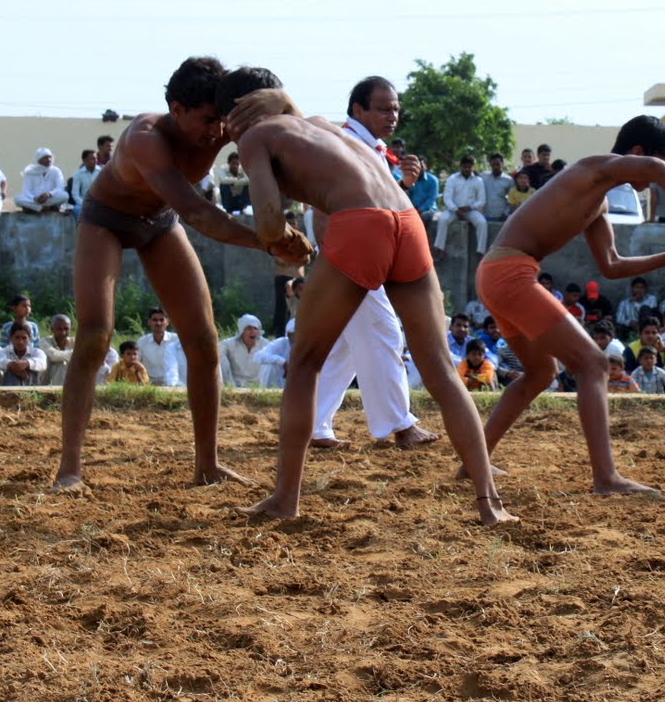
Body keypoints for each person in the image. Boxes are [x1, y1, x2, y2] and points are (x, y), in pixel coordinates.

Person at [217, 67, 512, 525]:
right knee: (438, 367)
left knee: (305, 364)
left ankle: (285, 500)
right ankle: (490, 504)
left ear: (238, 113)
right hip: (407, 220)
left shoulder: (255, 139)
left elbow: (270, 221)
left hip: (360, 224)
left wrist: (284, 240)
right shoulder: (318, 123)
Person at [52, 57, 292, 492]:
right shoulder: (147, 138)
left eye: (221, 120)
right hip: (106, 219)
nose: (216, 132)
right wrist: (267, 241)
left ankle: (207, 464)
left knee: (202, 340)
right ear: (176, 109)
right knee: (93, 335)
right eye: (205, 121)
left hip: (159, 222)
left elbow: (294, 132)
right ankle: (69, 467)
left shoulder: (219, 128)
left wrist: (285, 100)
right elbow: (200, 212)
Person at [461, 115, 665, 495]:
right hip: (509, 273)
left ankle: (472, 461)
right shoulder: (594, 168)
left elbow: (612, 265)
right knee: (594, 363)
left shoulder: (600, 201)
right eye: (663, 164)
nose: (662, 176)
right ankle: (606, 478)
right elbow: (655, 169)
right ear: (639, 153)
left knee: (540, 373)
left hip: (500, 273)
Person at [307, 76, 440, 452]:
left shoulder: (371, 147)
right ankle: (399, 425)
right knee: (383, 331)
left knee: (345, 347)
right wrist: (329, 247)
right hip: (348, 255)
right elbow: (322, 201)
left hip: (361, 253)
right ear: (358, 110)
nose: (392, 115)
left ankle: (313, 425)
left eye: (396, 108)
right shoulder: (343, 143)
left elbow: (383, 203)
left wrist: (406, 184)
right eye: (383, 108)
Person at [432, 154, 488, 260]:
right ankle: (440, 249)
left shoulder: (478, 180)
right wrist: (456, 210)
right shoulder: (452, 179)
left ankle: (480, 252)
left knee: (482, 223)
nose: (467, 169)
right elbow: (447, 198)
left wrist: (470, 207)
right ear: (461, 166)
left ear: (472, 167)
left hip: (470, 210)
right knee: (443, 219)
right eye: (465, 166)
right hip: (453, 210)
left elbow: (482, 200)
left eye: (469, 167)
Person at [15, 147, 69, 213]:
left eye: (50, 157)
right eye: (45, 157)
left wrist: (49, 194)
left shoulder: (56, 171)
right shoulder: (30, 172)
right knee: (17, 198)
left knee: (65, 195)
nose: (49, 160)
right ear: (39, 159)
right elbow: (26, 191)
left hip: (49, 199)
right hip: (34, 200)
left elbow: (60, 188)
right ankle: (43, 208)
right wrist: (34, 198)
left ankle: (33, 208)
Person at [219, 314, 267, 388]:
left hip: (257, 386)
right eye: (249, 328)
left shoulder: (265, 344)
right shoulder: (230, 344)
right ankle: (230, 390)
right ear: (242, 331)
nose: (252, 331)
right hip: (235, 384)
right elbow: (217, 349)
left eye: (255, 328)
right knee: (221, 359)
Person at [399, 153, 439, 220]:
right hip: (413, 209)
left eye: (421, 166)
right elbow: (408, 196)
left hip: (428, 209)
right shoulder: (410, 179)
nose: (420, 169)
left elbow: (431, 199)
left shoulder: (433, 180)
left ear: (425, 166)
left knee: (424, 216)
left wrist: (420, 210)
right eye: (418, 167)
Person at [480, 152, 512, 224]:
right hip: (485, 216)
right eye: (493, 165)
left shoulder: (509, 180)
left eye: (498, 164)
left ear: (502, 164)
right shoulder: (483, 176)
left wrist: (506, 213)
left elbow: (512, 199)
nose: (495, 167)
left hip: (501, 216)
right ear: (490, 164)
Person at [70, 148, 100, 215]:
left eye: (96, 158)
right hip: (83, 202)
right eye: (92, 159)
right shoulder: (78, 174)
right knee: (77, 210)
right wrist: (84, 203)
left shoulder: (102, 172)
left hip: (100, 202)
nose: (95, 161)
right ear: (84, 161)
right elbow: (75, 194)